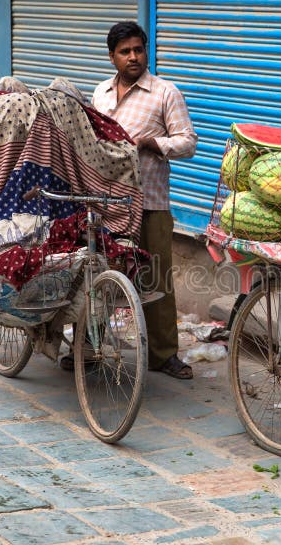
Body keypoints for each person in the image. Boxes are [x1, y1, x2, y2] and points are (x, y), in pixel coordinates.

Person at [92, 21, 198, 379]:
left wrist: (156, 144)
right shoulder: (100, 94)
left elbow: (188, 142)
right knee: (99, 276)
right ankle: (90, 347)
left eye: (138, 49)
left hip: (150, 203)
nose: (133, 56)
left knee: (156, 280)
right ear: (112, 57)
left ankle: (163, 354)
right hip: (106, 204)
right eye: (125, 51)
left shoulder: (165, 93)